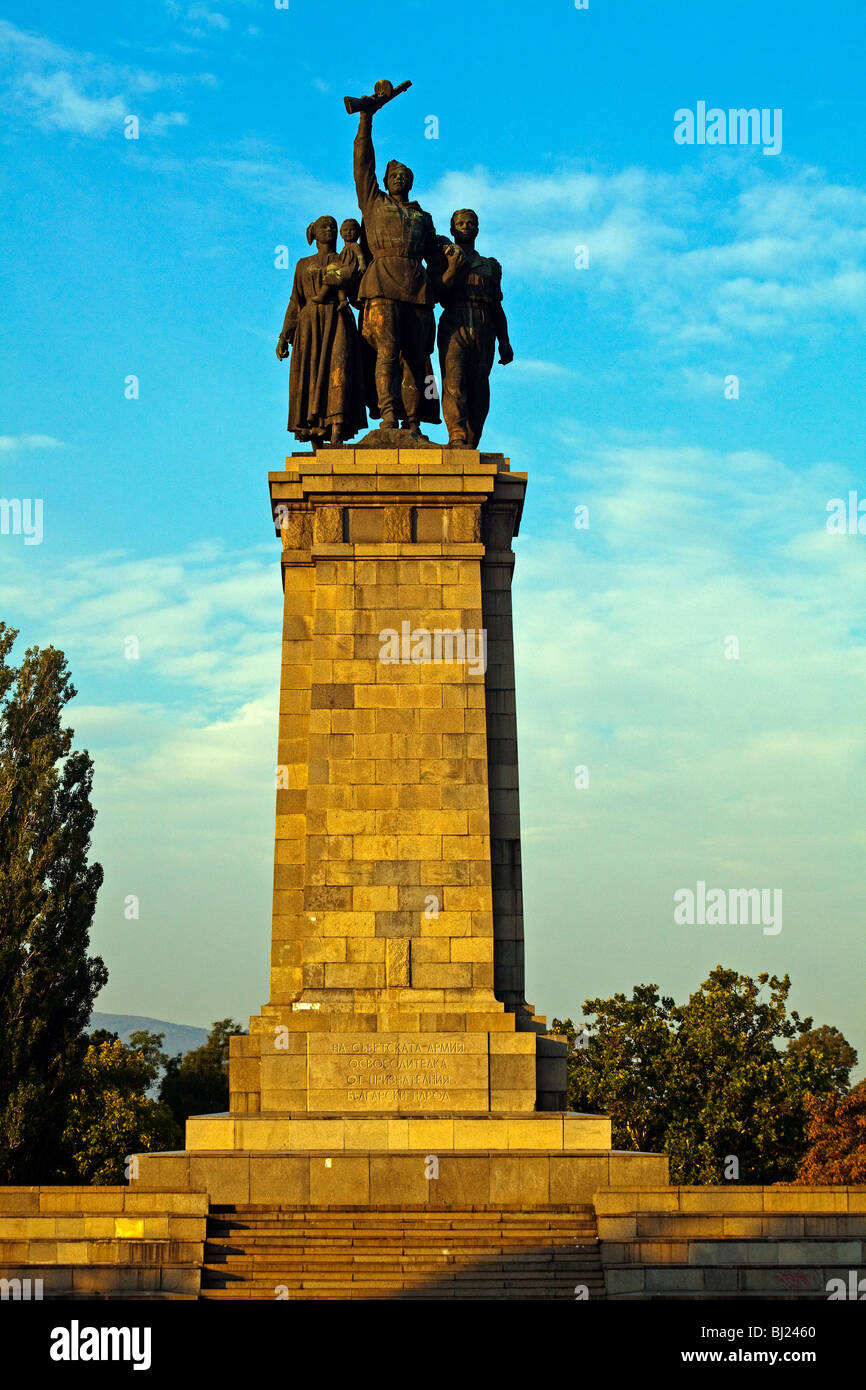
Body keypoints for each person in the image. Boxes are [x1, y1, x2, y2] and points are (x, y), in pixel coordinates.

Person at [352, 102, 447, 434]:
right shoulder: (374, 203)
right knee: (388, 353)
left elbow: (437, 250)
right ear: (385, 180)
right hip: (381, 285)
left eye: (404, 176)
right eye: (393, 176)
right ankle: (388, 415)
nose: (398, 179)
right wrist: (366, 119)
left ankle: (413, 420)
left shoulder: (423, 218)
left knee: (416, 358)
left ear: (411, 182)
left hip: (418, 289)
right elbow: (363, 164)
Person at [275, 215, 367, 447]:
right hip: (309, 325)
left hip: (338, 319)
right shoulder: (303, 264)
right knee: (312, 373)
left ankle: (337, 429)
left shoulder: (345, 257)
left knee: (339, 369)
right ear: (313, 233)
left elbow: (358, 293)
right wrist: (284, 336)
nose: (329, 230)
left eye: (333, 227)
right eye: (324, 226)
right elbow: (296, 301)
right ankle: (315, 432)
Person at [436, 208, 513, 447]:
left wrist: (505, 341)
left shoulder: (490, 266)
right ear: (452, 230)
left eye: (471, 223)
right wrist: (452, 268)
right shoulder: (443, 258)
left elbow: (497, 306)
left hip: (483, 325)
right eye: (460, 223)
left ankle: (472, 438)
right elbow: (437, 293)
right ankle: (457, 435)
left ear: (477, 229)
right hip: (454, 321)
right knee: (454, 382)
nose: (466, 227)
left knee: (479, 386)